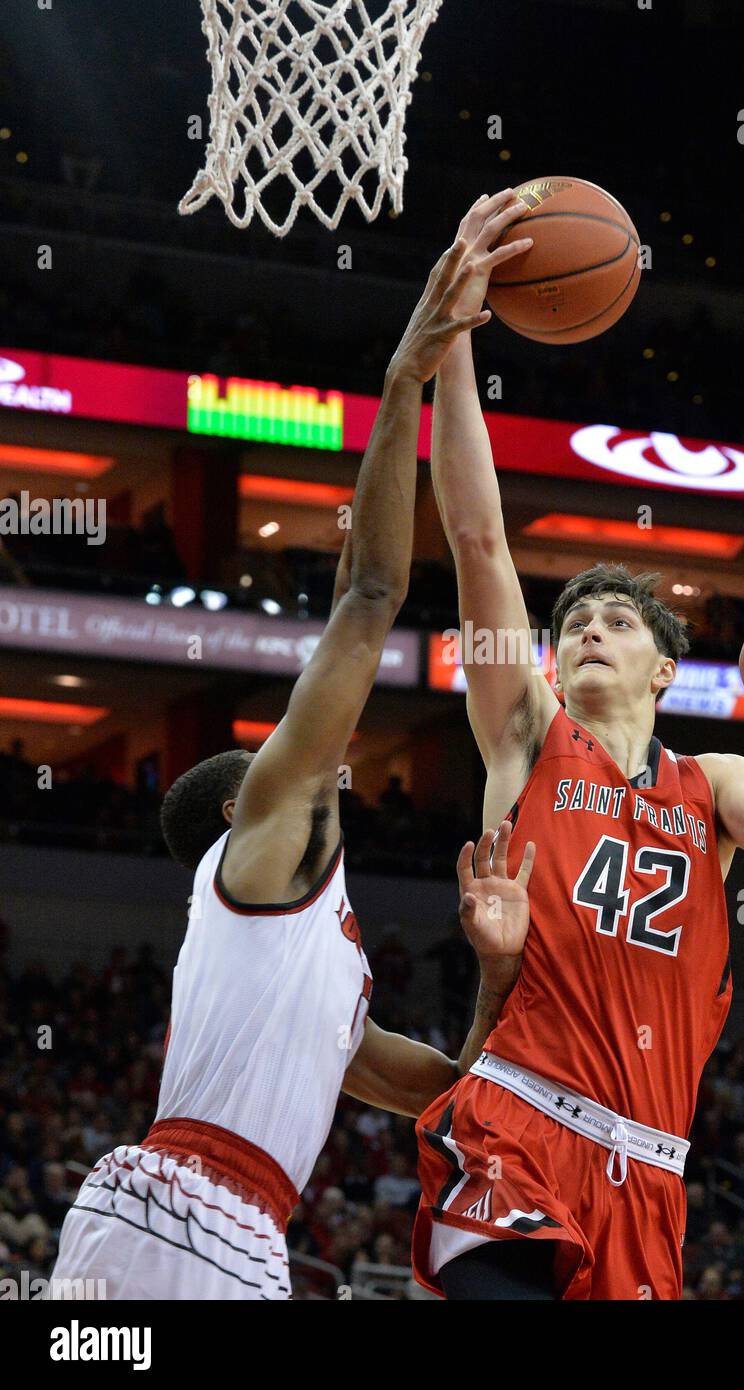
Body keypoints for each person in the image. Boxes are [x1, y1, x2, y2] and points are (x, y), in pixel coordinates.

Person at [51, 218, 536, 1301]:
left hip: (224, 1231)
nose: (293, 757)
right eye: (264, 759)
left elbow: (452, 1089)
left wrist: (497, 973)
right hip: (187, 1214)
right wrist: (401, 380)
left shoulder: (332, 982)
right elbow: (368, 596)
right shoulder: (267, 840)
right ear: (242, 808)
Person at [411, 190, 744, 1301]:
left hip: (649, 1172)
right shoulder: (529, 733)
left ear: (662, 668)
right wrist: (455, 341)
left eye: (615, 622)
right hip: (520, 1120)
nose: (586, 630)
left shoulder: (717, 780)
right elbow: (474, 535)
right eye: (570, 626)